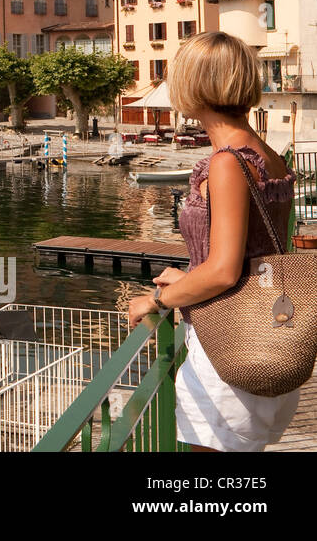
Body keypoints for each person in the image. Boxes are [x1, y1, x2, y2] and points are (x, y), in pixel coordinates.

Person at [126, 31, 298, 451]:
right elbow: (254, 254)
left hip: (229, 347)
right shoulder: (267, 153)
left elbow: (224, 270)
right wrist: (189, 276)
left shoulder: (227, 164)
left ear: (194, 86)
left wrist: (157, 301)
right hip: (267, 335)